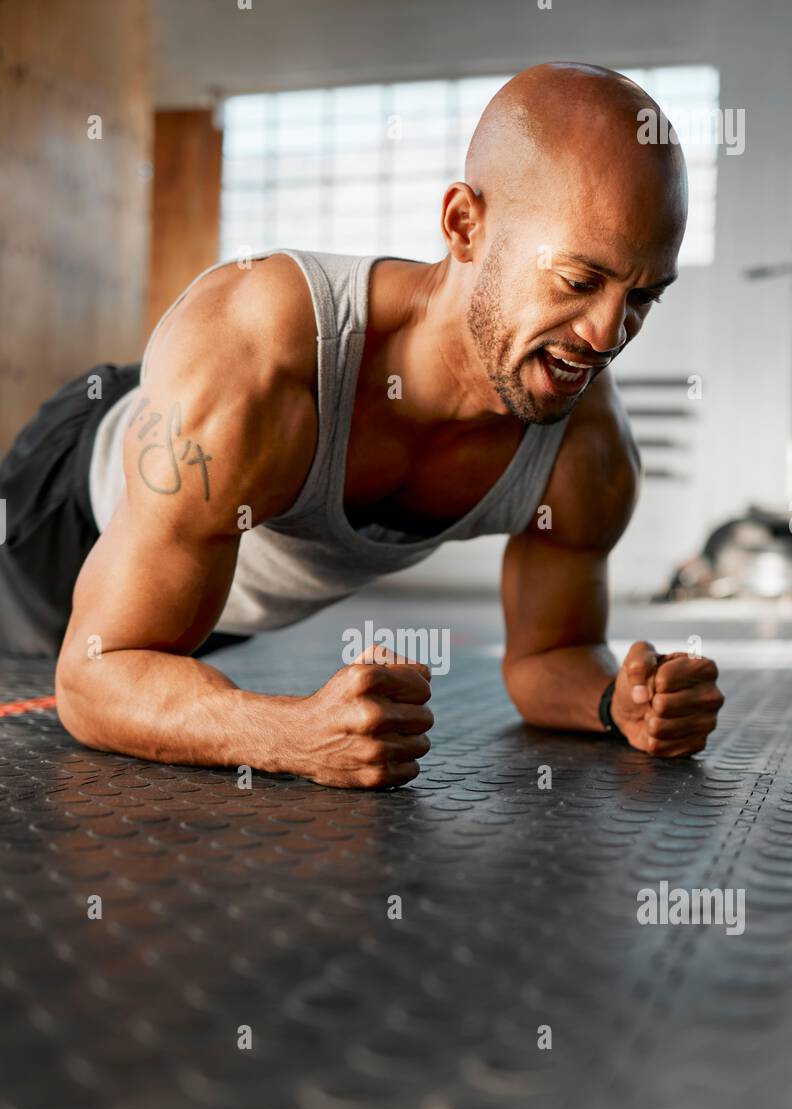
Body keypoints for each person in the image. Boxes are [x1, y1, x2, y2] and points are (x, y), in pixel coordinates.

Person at [0, 62, 723, 788]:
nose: (607, 335)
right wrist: (293, 736)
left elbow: (549, 656)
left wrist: (618, 701)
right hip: (63, 522)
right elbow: (96, 678)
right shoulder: (257, 355)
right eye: (579, 281)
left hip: (202, 598)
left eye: (644, 297)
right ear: (464, 225)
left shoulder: (586, 452)